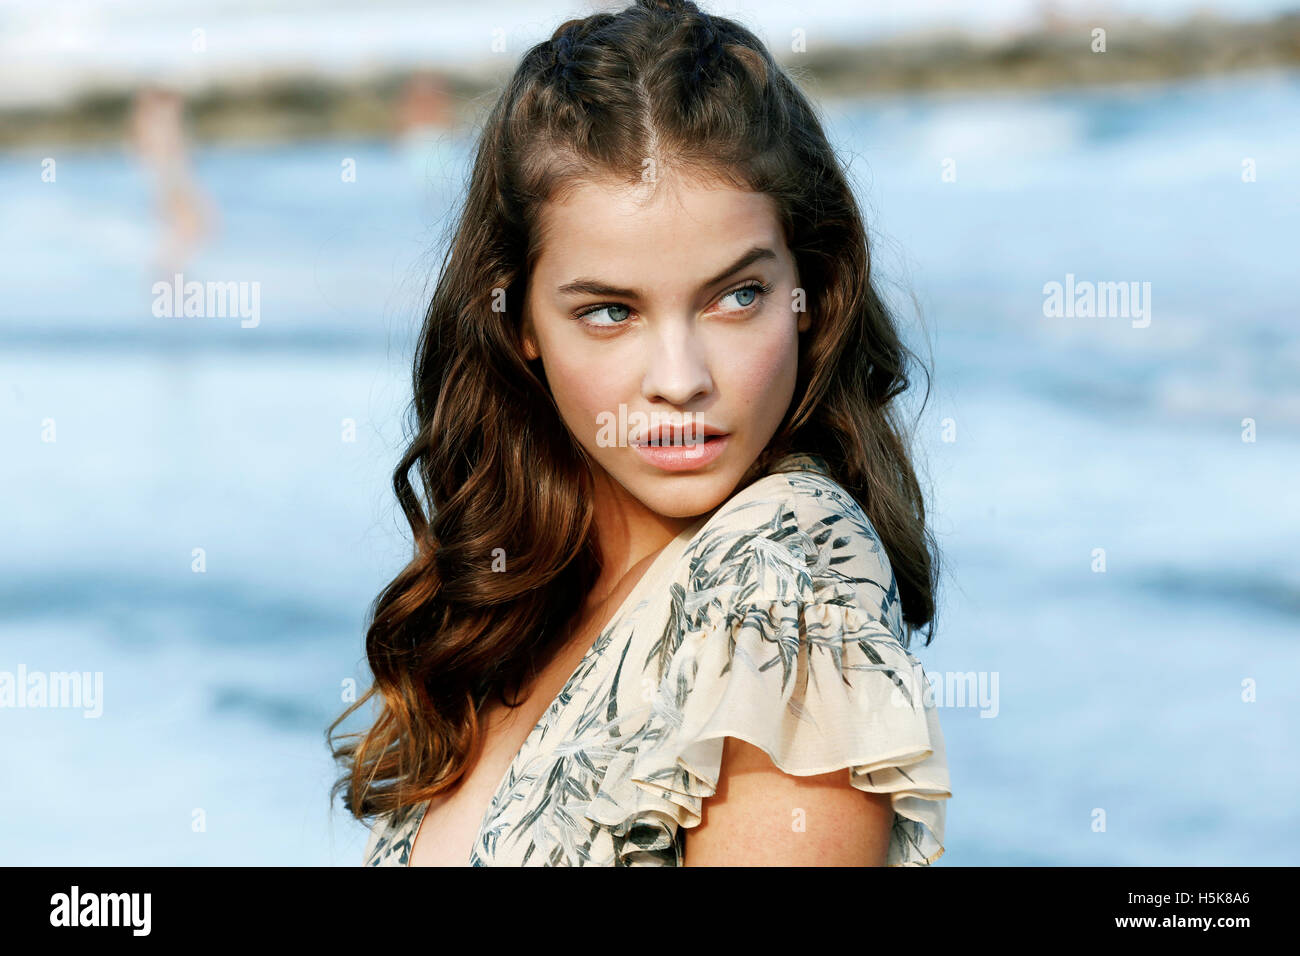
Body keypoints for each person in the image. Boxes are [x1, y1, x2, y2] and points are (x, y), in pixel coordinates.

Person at [329, 0, 951, 867]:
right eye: (611, 311)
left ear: (810, 292)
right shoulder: (523, 606)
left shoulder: (786, 580)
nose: (681, 379)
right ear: (519, 322)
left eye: (737, 296)